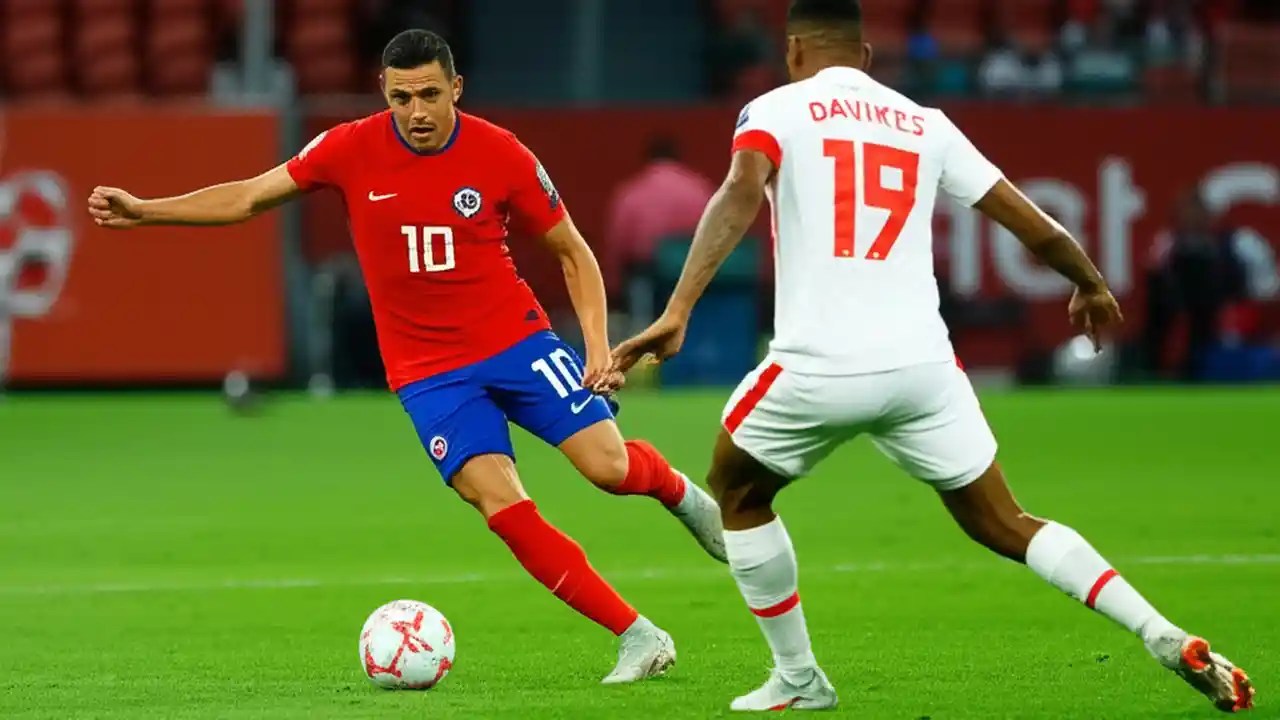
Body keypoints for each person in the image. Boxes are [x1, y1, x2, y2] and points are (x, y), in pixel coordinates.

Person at [611, 0, 1254, 712]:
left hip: (819, 364)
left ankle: (798, 679)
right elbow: (1028, 219)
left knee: (735, 488)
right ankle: (1157, 629)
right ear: (865, 57)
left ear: (793, 51)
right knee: (1006, 522)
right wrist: (1089, 281)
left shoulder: (774, 110)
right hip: (923, 370)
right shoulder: (925, 123)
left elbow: (739, 192)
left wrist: (678, 309)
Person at [87, 29, 727, 685]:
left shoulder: (501, 152)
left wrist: (594, 346)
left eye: (429, 94)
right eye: (401, 98)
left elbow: (573, 252)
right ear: (383, 93)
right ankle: (638, 636)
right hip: (429, 374)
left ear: (456, 88)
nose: (416, 112)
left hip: (516, 342)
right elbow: (248, 196)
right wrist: (147, 211)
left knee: (609, 468)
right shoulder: (347, 148)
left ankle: (680, 494)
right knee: (501, 505)